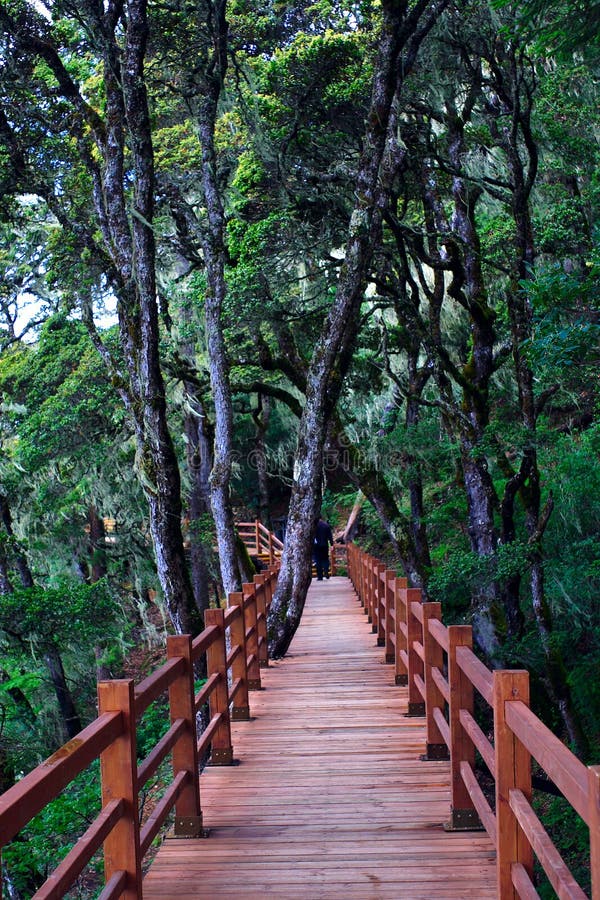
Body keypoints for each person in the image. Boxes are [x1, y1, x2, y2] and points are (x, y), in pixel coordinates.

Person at [313, 514, 333, 580]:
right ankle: (326, 572)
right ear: (321, 518)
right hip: (324, 545)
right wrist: (331, 544)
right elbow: (330, 536)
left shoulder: (314, 526)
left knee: (318, 560)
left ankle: (320, 576)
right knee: (325, 559)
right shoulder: (326, 525)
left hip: (316, 545)